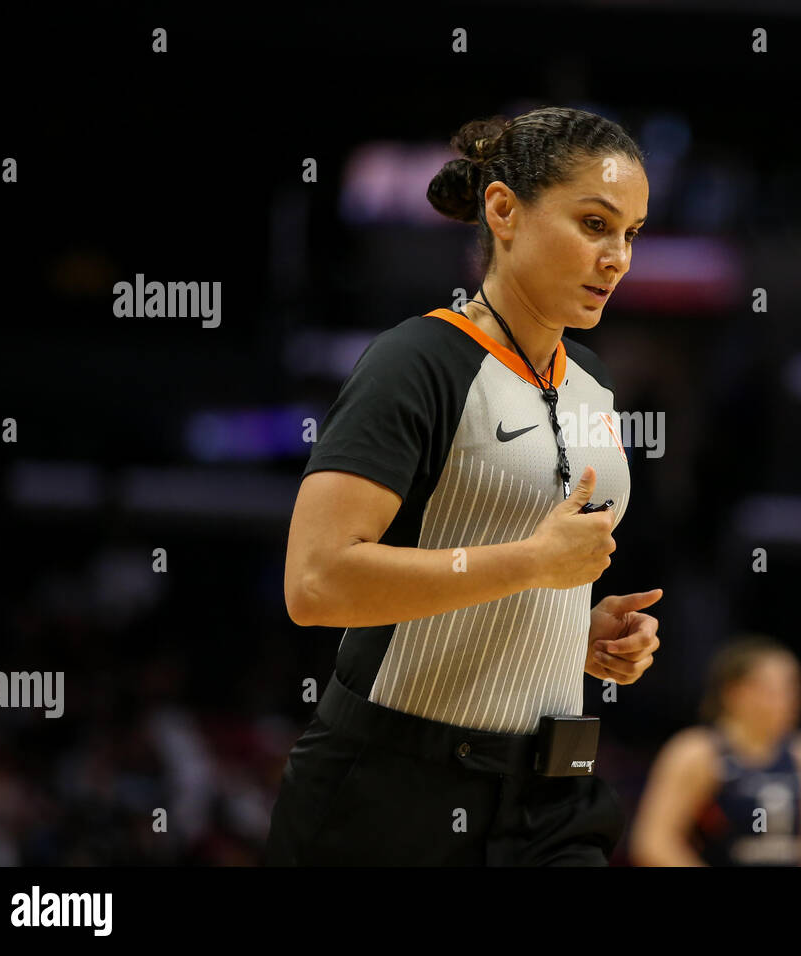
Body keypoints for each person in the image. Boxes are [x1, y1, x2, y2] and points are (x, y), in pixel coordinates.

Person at [266, 106, 662, 866]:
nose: (617, 257)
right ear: (504, 210)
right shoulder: (416, 362)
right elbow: (314, 582)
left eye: (632, 234)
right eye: (593, 223)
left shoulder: (597, 388)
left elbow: (513, 572)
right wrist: (531, 566)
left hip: (551, 791)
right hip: (390, 794)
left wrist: (573, 631)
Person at [629, 635, 801, 866]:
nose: (792, 699)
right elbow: (653, 843)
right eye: (776, 689)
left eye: (795, 687)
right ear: (735, 693)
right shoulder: (696, 751)